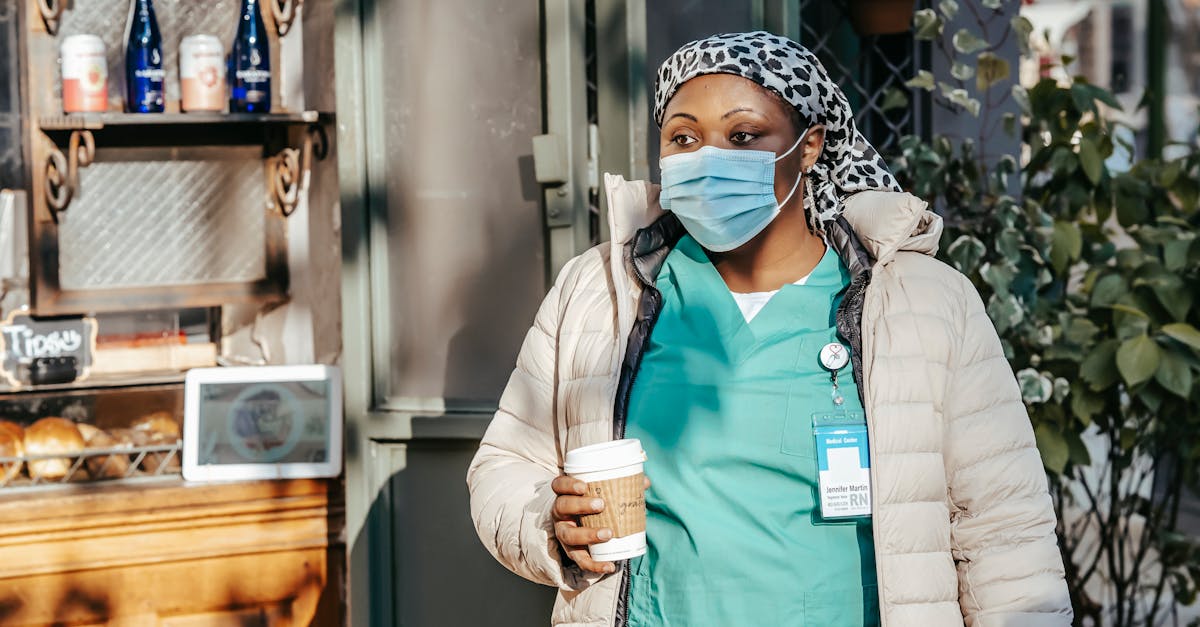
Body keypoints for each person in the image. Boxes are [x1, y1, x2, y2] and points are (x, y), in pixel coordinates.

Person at [467, 31, 1072, 627]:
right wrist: (552, 523)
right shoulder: (598, 292)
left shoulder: (922, 304)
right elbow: (503, 467)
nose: (708, 158)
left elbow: (1004, 530)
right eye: (684, 137)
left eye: (743, 135)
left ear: (808, 147)